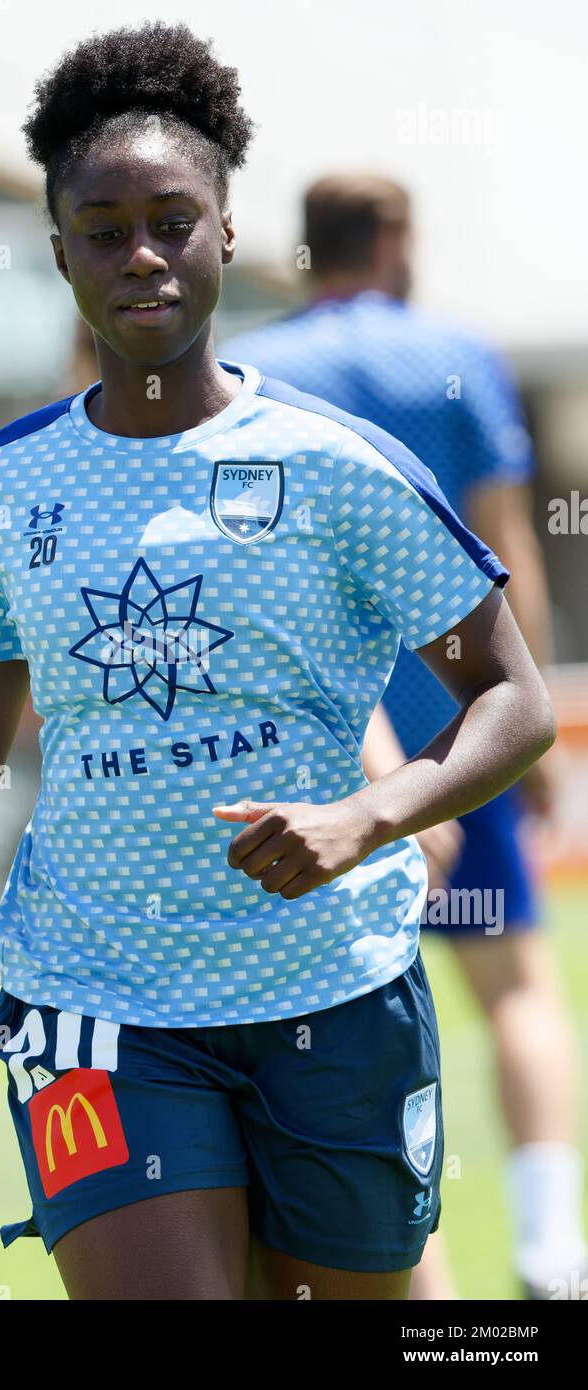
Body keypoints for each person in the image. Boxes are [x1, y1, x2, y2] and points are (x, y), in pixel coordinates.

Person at [0, 26, 556, 1301]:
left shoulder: (337, 468)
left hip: (331, 994)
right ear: (58, 249)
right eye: (103, 228)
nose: (142, 256)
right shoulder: (7, 487)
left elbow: (513, 700)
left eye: (173, 219)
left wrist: (365, 817)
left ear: (227, 235)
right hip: (93, 998)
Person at [224, 173, 586, 1299]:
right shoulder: (454, 353)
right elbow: (502, 545)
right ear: (390, 241)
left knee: (353, 1039)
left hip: (314, 759)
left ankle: (415, 1287)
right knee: (516, 992)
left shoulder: (261, 372)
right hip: (454, 740)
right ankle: (547, 1247)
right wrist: (539, 730)